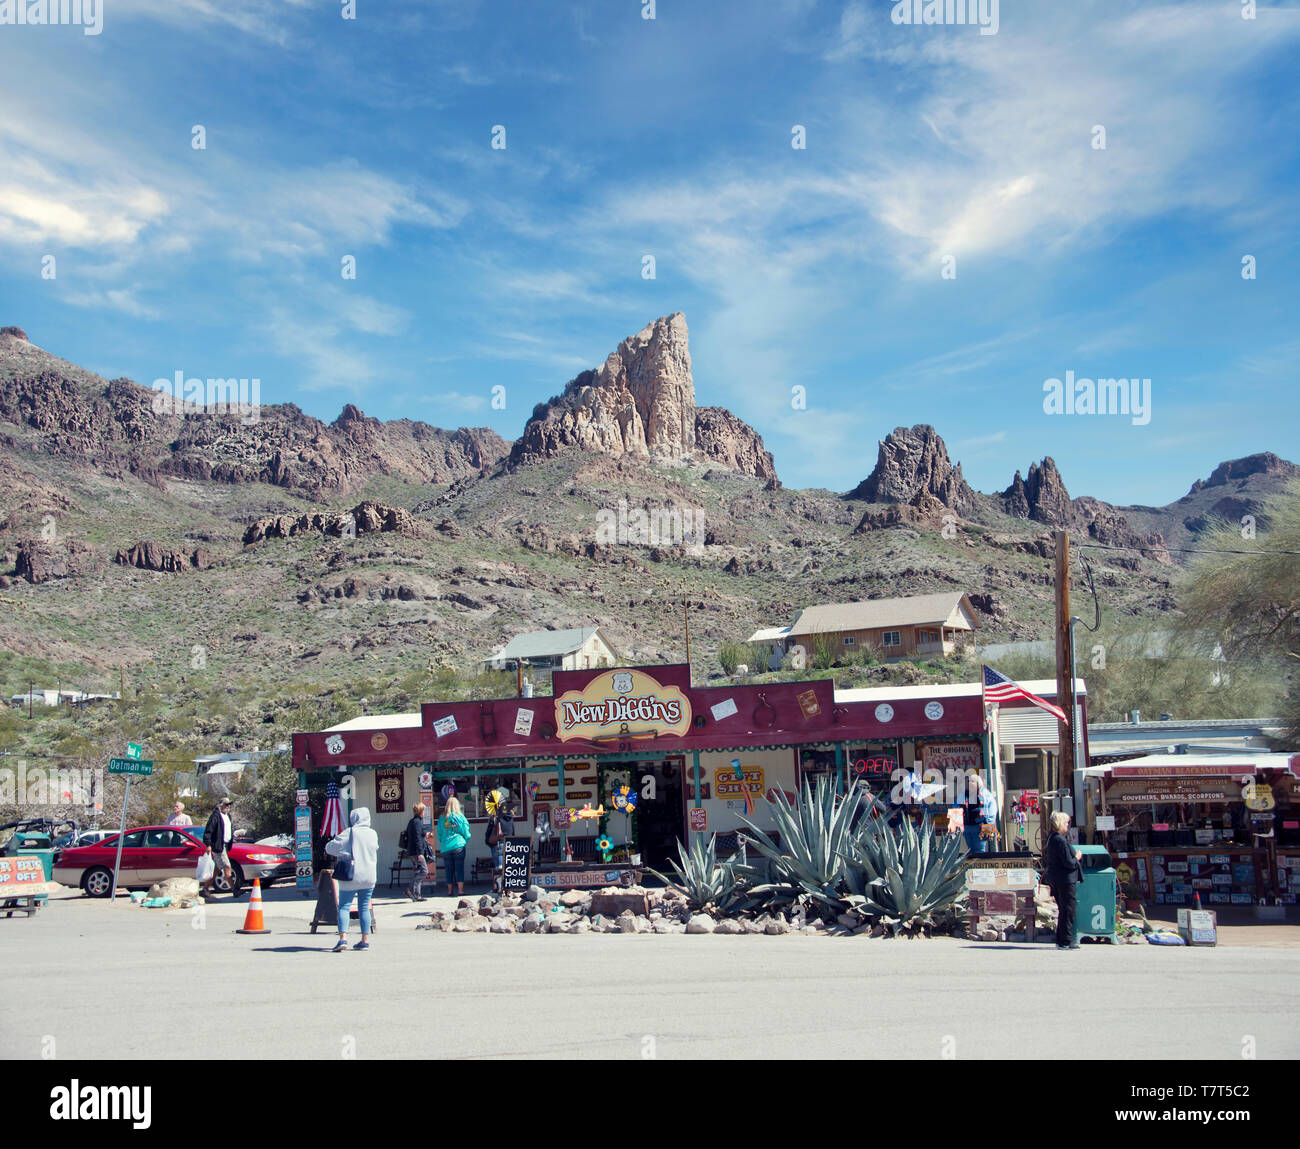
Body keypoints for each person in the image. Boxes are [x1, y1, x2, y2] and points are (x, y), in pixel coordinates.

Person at [324, 807, 379, 952]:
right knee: (364, 907)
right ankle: (364, 940)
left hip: (351, 875)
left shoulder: (350, 832)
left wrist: (342, 851)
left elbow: (330, 848)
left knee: (344, 906)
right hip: (369, 876)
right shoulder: (373, 834)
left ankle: (343, 938)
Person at [1043, 810, 1084, 950]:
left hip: (1058, 878)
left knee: (1064, 910)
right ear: (1060, 823)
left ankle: (1062, 939)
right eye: (1066, 822)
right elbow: (1068, 862)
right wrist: (1077, 857)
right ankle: (1065, 940)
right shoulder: (1059, 840)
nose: (1068, 825)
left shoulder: (1052, 838)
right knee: (1068, 910)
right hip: (1065, 879)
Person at [437, 796, 471, 897]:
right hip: (458, 845)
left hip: (446, 846)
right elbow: (466, 831)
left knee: (448, 869)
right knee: (459, 868)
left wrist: (444, 841)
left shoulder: (442, 818)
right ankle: (460, 890)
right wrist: (465, 840)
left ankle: (449, 891)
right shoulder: (460, 817)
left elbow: (439, 833)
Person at [201, 798, 236, 898]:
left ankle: (205, 888)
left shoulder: (228, 816)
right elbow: (208, 831)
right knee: (227, 866)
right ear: (220, 805)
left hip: (225, 845)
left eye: (229, 805)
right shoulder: (216, 816)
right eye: (226, 805)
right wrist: (208, 845)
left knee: (216, 869)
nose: (228, 807)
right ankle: (234, 889)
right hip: (218, 846)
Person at [404, 802, 435, 902]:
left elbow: (417, 835)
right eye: (424, 810)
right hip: (416, 851)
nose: (425, 812)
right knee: (424, 871)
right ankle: (409, 889)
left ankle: (417, 894)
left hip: (412, 851)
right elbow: (417, 838)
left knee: (417, 871)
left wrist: (426, 834)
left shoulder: (413, 821)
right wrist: (420, 853)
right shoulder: (417, 822)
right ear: (421, 811)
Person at [488, 799, 516, 892]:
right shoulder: (510, 817)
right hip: (509, 843)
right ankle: (508, 888)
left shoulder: (496, 817)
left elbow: (490, 833)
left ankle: (498, 888)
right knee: (508, 867)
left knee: (498, 868)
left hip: (498, 843)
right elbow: (513, 832)